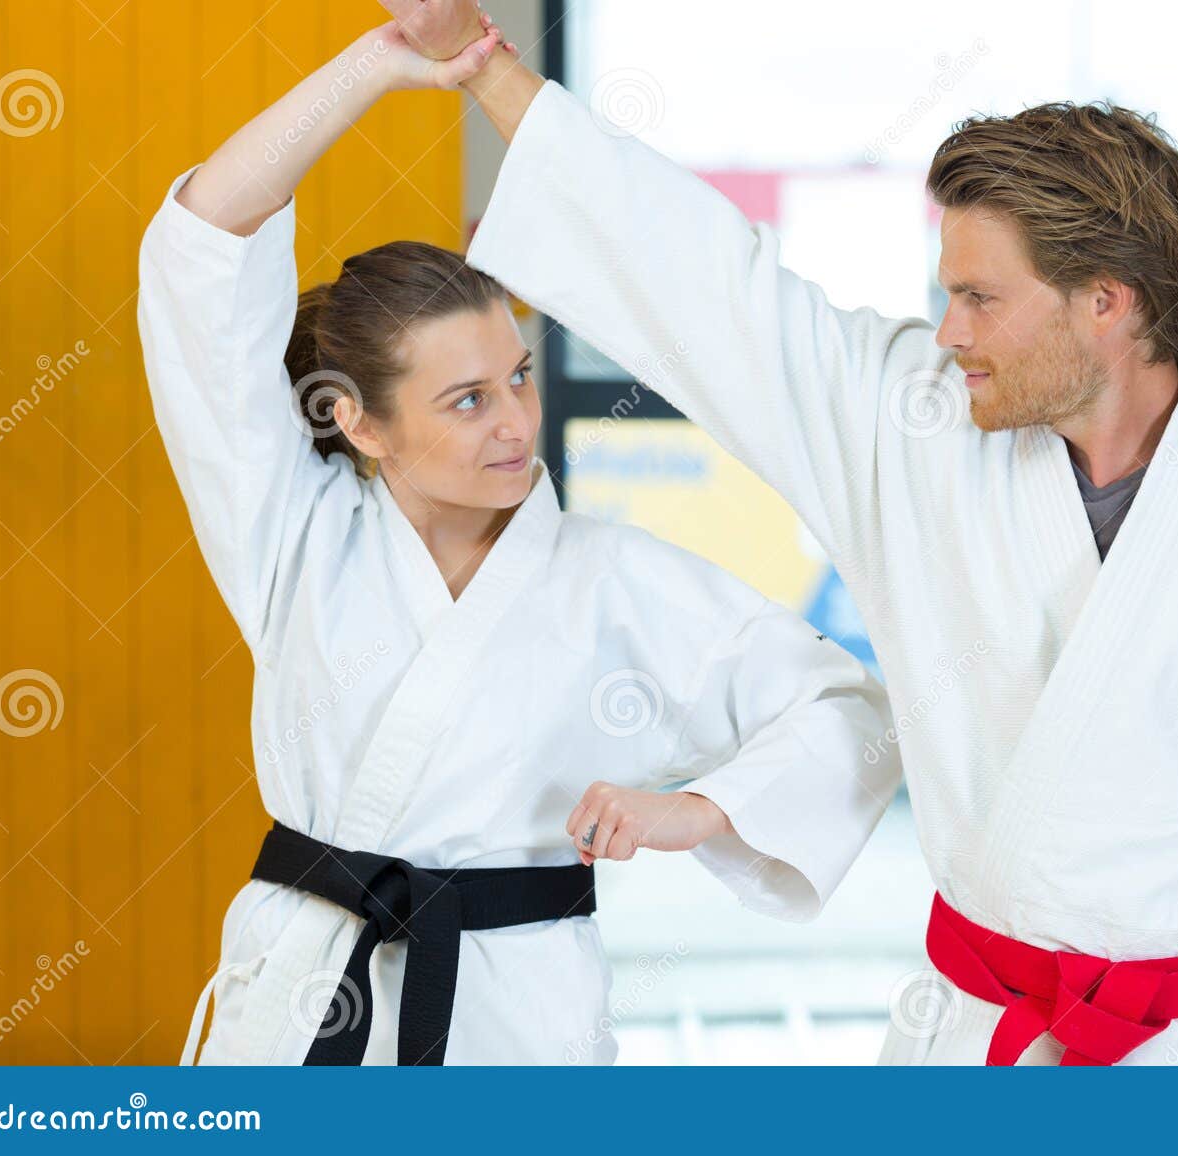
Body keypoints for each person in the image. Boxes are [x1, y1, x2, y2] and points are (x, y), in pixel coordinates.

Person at [388, 0, 1178, 1065]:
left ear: (1108, 301)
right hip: (985, 1028)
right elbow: (706, 281)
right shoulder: (914, 430)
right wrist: (480, 65)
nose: (945, 332)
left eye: (981, 298)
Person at [137, 18, 900, 1066]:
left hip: (514, 1013)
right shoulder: (291, 534)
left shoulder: (615, 578)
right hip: (300, 1001)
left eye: (520, 378)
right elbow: (201, 250)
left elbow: (843, 710)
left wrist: (695, 808)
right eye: (465, 400)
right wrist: (375, 66)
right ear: (357, 420)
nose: (512, 422)